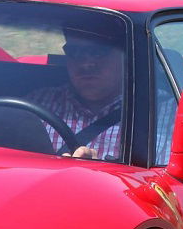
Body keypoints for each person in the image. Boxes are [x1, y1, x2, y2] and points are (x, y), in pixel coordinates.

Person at [26, 26, 126, 159]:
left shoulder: (151, 117)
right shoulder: (37, 104)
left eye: (99, 51)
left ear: (126, 55)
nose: (86, 64)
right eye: (75, 52)